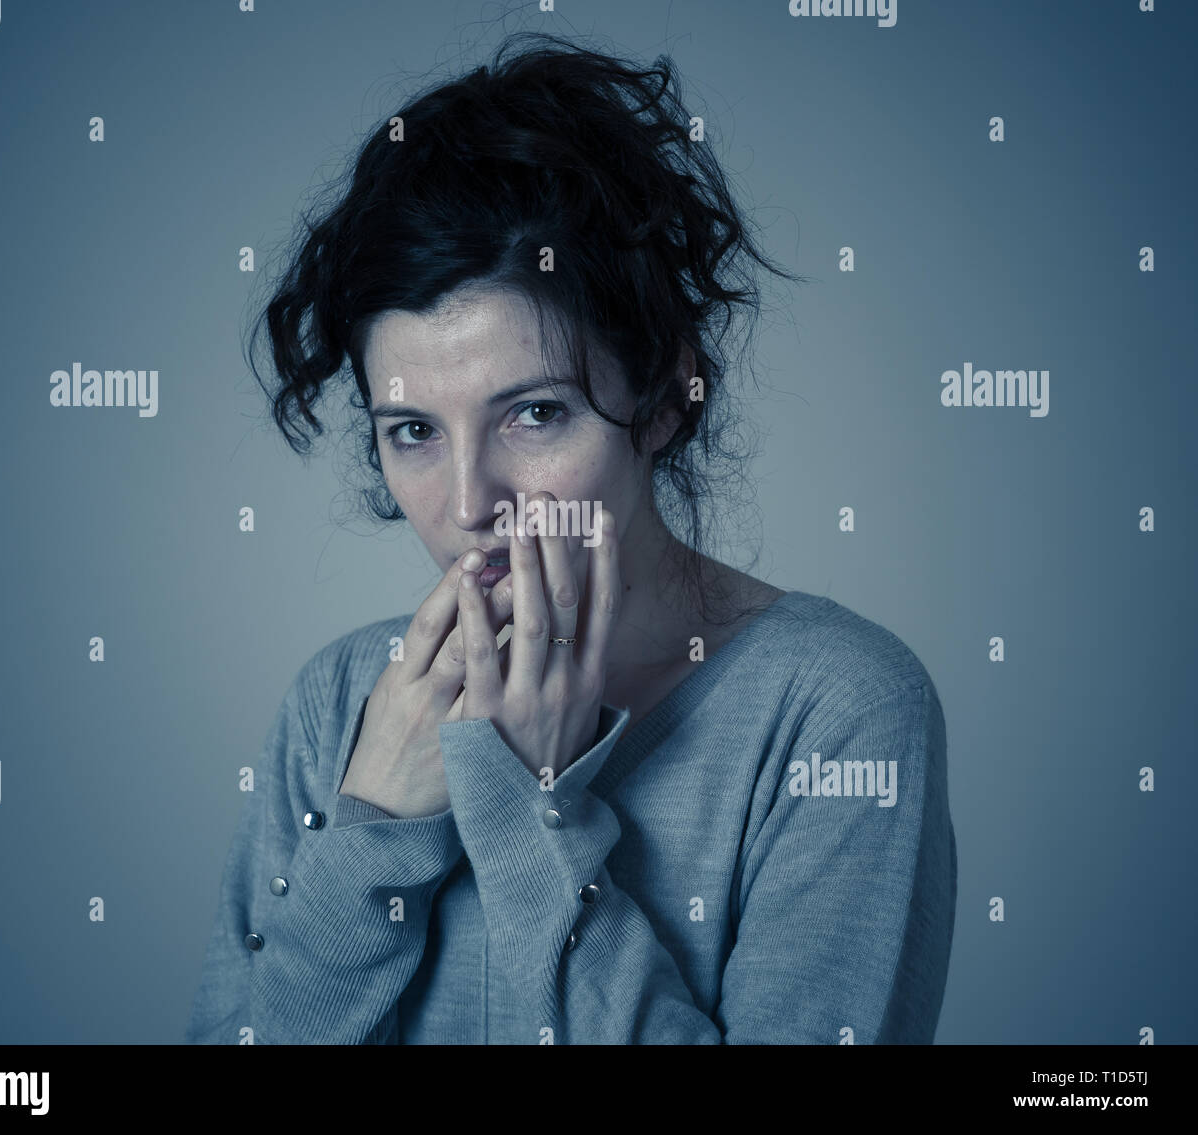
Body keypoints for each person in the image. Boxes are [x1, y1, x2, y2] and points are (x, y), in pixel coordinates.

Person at [185, 31, 956, 1044]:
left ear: (665, 398)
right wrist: (372, 832)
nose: (470, 503)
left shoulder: (834, 711)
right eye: (412, 432)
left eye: (535, 414)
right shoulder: (340, 706)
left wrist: (526, 815)